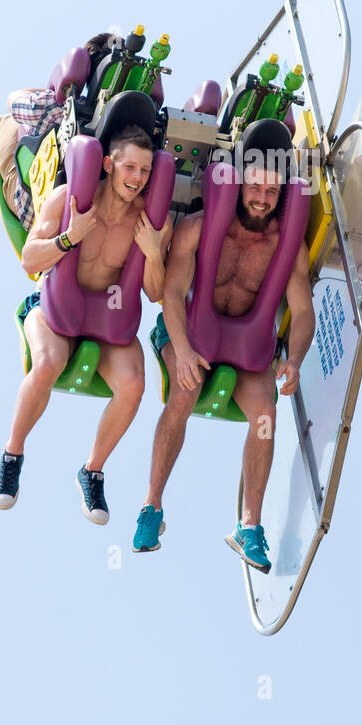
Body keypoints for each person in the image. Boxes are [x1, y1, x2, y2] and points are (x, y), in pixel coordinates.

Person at [133, 161, 314, 573]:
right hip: (190, 333)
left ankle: (249, 526)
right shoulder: (197, 227)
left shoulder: (288, 246)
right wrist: (181, 350)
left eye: (272, 192)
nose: (262, 199)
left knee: (266, 417)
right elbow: (173, 294)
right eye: (256, 188)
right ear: (240, 185)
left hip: (248, 348)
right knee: (185, 393)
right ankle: (152, 507)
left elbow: (303, 312)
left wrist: (295, 360)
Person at [0, 124, 172, 523]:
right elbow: (30, 260)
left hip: (109, 319)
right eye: (129, 167)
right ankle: (13, 454)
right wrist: (69, 238)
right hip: (57, 309)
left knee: (135, 385)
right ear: (108, 164)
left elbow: (156, 293)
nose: (136, 179)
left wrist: (154, 255)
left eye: (144, 171)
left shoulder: (152, 221)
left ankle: (92, 471)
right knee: (48, 365)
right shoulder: (67, 198)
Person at [0, 32, 119, 248]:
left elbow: (12, 100)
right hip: (109, 221)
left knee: (2, 124)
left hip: (37, 214)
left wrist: (51, 90)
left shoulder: (54, 106)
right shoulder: (137, 130)